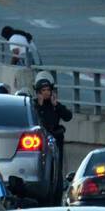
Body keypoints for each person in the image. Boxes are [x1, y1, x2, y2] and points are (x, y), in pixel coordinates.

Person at [34, 71, 72, 200]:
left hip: (56, 141)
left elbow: (68, 116)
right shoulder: (34, 106)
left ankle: (57, 195)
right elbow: (35, 121)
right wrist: (39, 106)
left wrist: (56, 105)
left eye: (48, 90)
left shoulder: (54, 105)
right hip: (40, 143)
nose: (46, 93)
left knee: (57, 170)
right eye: (43, 90)